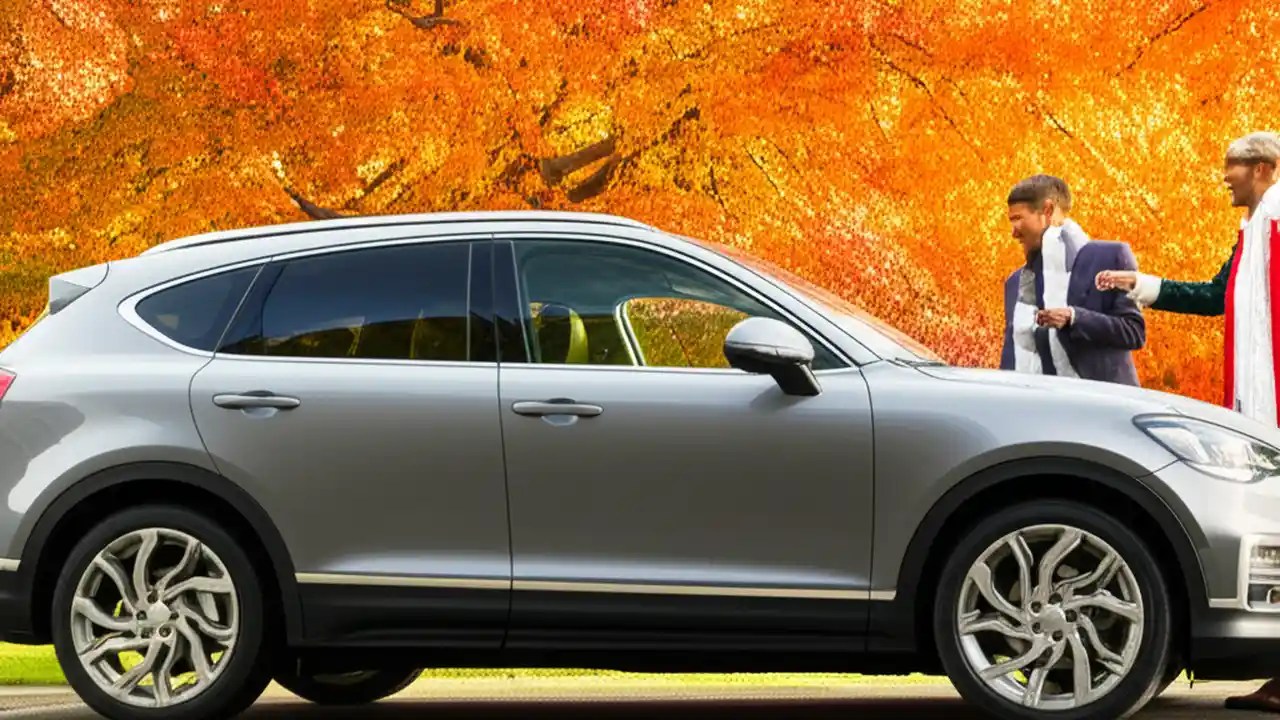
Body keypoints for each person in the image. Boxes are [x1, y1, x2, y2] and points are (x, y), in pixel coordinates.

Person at [1096, 130, 1280, 712]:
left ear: (1265, 168)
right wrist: (1141, 286)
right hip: (1257, 408)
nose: (1224, 175)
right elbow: (1213, 297)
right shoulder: (1251, 235)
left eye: (1233, 166)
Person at [1000, 174, 1145, 384]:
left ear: (1048, 211)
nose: (1013, 233)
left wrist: (1075, 318)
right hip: (1039, 410)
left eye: (1018, 219)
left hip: (1105, 407)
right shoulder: (1015, 284)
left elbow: (1133, 332)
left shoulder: (1109, 257)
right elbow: (1010, 358)